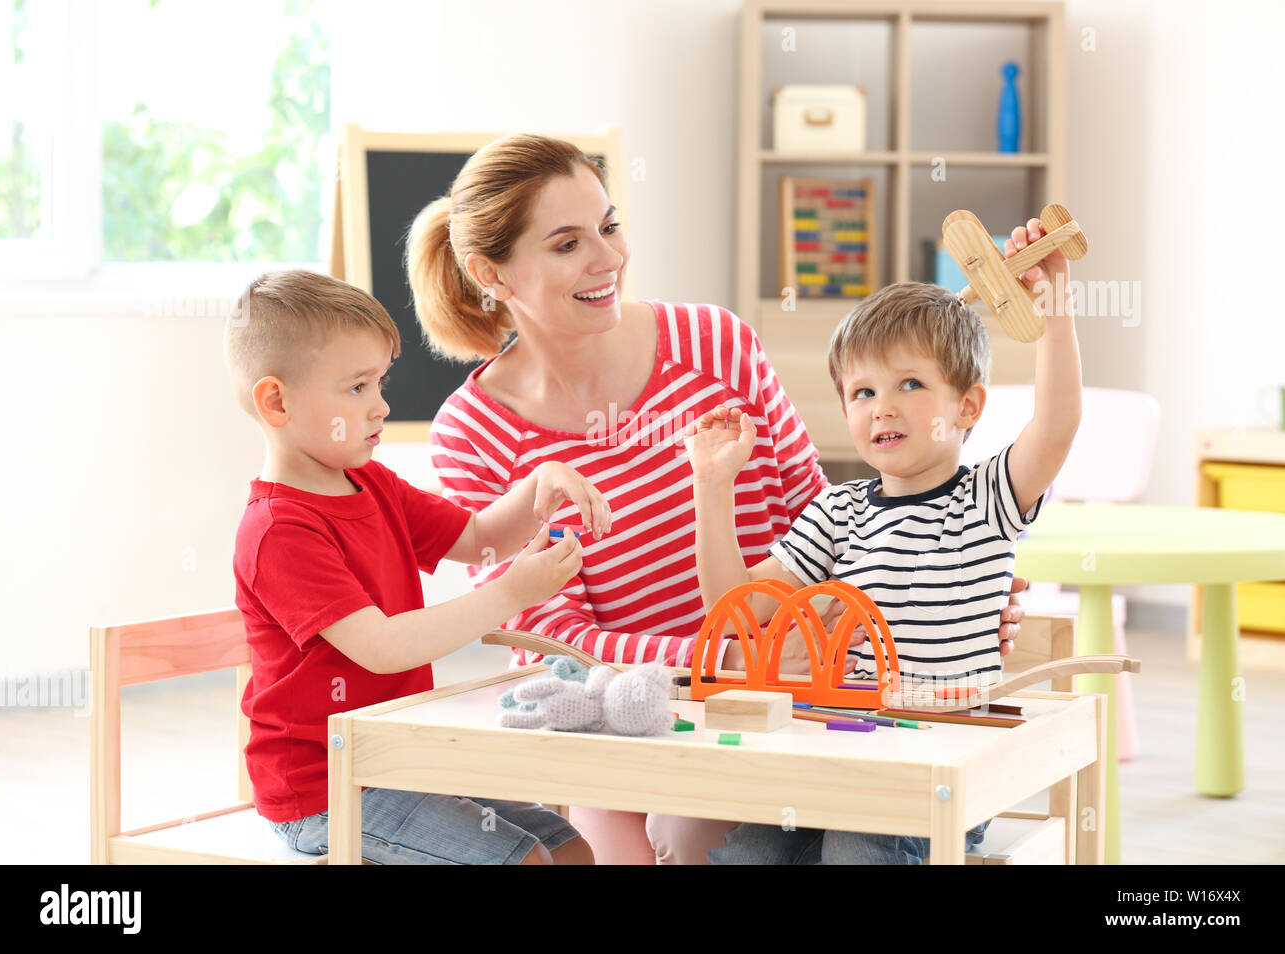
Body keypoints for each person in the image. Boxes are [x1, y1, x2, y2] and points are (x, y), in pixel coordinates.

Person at [407, 133, 1030, 864]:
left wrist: (918, 582)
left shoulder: (715, 344)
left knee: (707, 841)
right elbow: (550, 641)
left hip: (779, 703)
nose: (607, 260)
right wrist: (740, 665)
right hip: (627, 715)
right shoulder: (471, 432)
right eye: (567, 243)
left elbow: (816, 516)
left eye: (608, 227)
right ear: (492, 273)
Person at [682, 221, 1082, 864]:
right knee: (745, 855)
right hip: (832, 760)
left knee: (854, 850)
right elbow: (734, 610)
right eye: (863, 392)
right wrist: (711, 485)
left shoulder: (987, 499)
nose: (882, 408)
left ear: (969, 406)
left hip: (937, 776)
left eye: (910, 385)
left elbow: (1058, 423)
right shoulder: (837, 511)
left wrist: (1054, 303)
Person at [224, 269, 609, 864]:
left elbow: (479, 536)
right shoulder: (280, 530)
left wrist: (540, 482)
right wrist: (511, 592)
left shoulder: (371, 484)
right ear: (276, 401)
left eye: (380, 382)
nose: (381, 406)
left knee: (569, 848)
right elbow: (380, 646)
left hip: (397, 760)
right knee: (527, 861)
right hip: (325, 792)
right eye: (356, 388)